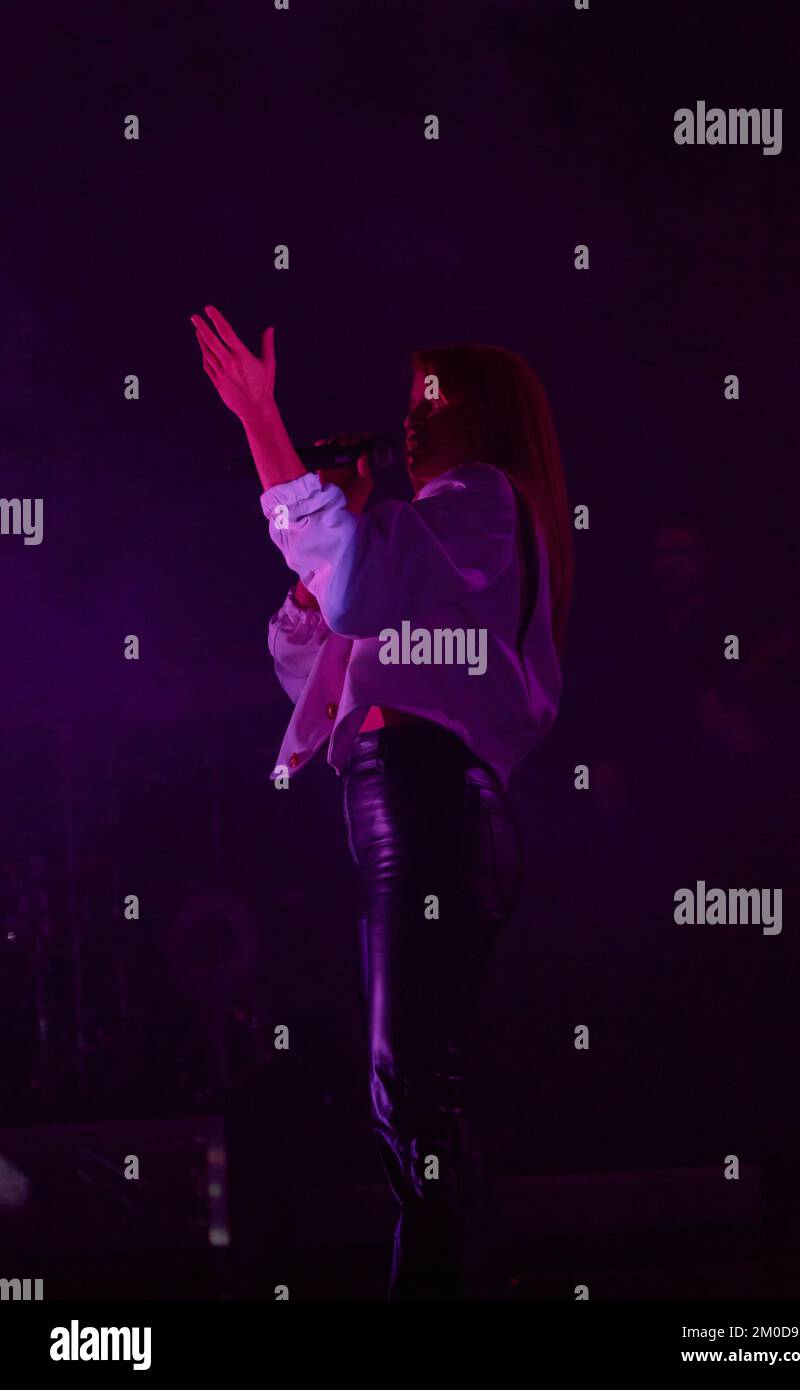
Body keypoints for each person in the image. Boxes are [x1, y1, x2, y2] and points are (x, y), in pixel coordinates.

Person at [192, 305, 573, 1298]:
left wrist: (260, 424)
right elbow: (313, 667)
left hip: (429, 801)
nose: (411, 417)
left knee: (411, 1100)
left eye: (432, 399)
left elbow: (359, 598)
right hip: (407, 803)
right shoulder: (437, 535)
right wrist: (338, 549)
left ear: (480, 415)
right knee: (410, 1098)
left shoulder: (481, 498)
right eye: (409, 398)